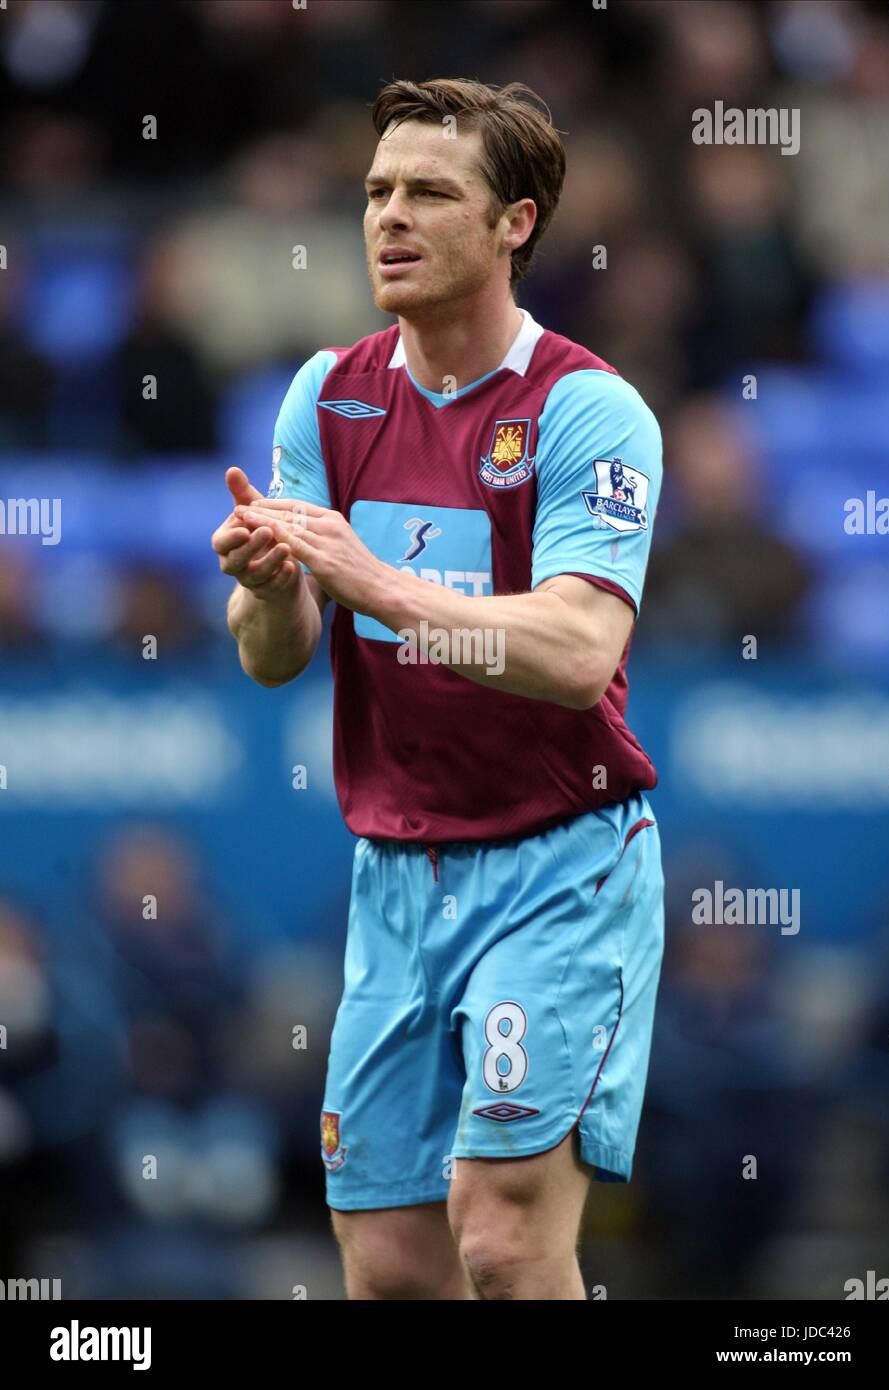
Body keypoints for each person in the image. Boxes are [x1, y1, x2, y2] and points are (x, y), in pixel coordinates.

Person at [211, 78, 664, 1301]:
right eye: (374, 193)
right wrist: (268, 585)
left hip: (558, 864)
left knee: (506, 1241)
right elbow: (276, 655)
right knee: (395, 1266)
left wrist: (372, 579)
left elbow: (576, 652)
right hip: (396, 880)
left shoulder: (586, 408)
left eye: (428, 193)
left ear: (514, 222)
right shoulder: (329, 392)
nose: (388, 219)